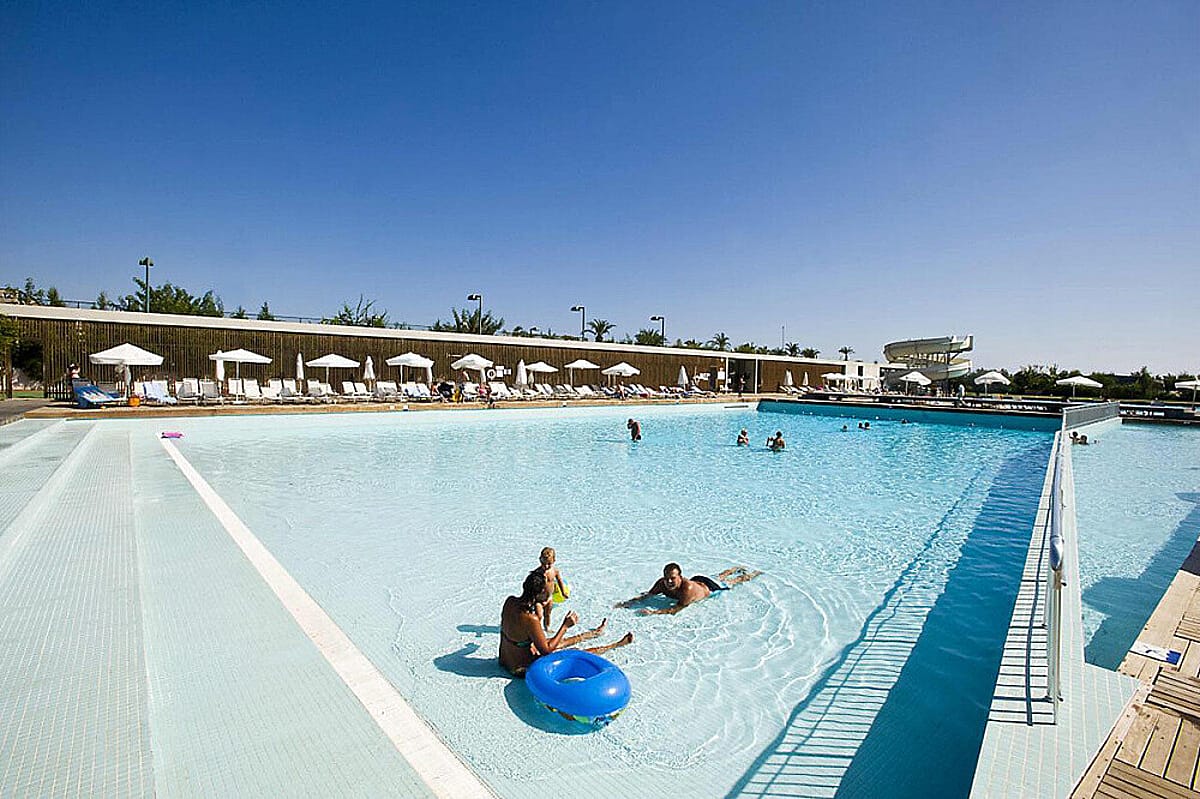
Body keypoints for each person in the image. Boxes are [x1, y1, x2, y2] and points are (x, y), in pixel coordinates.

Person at [500, 570, 633, 677]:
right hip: (520, 669)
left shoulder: (510, 601)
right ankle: (614, 645)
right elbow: (546, 651)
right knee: (575, 652)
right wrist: (565, 626)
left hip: (505, 660)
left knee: (558, 641)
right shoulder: (531, 619)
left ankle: (594, 633)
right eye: (549, 590)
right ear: (541, 593)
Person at [616, 562, 762, 616]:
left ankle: (754, 573)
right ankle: (735, 568)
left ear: (680, 577)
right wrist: (628, 603)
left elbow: (676, 609)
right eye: (667, 577)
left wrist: (654, 612)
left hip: (711, 588)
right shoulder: (662, 583)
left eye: (673, 578)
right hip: (700, 578)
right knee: (720, 575)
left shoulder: (687, 590)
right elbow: (647, 595)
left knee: (734, 581)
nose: (669, 581)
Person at [537, 547, 569, 630]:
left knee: (547, 614)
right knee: (539, 616)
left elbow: (559, 581)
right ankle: (536, 630)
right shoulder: (537, 572)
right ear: (540, 560)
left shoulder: (555, 571)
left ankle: (547, 628)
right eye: (543, 564)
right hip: (539, 600)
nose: (546, 566)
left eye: (549, 564)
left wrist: (563, 592)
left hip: (549, 599)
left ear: (554, 560)